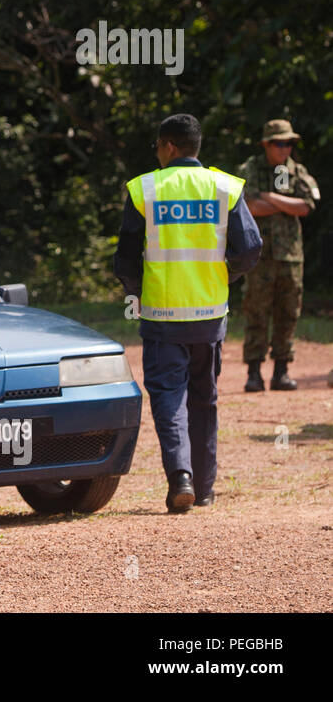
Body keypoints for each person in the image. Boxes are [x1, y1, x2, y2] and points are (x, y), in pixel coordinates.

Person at [114, 114, 262, 512]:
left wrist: (138, 292)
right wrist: (221, 275)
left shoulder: (145, 188)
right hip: (209, 314)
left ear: (170, 147)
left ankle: (181, 477)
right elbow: (250, 248)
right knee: (204, 397)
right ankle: (206, 487)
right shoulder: (224, 186)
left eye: (158, 147)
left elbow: (126, 258)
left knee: (167, 396)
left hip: (163, 316)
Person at [237, 120, 320, 392]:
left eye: (289, 143)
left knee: (288, 313)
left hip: (290, 256)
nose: (285, 148)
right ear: (266, 144)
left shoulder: (297, 171)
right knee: (256, 312)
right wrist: (285, 204)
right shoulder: (250, 168)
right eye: (279, 143)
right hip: (259, 255)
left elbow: (306, 206)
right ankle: (254, 373)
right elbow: (248, 206)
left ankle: (281, 371)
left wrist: (269, 197)